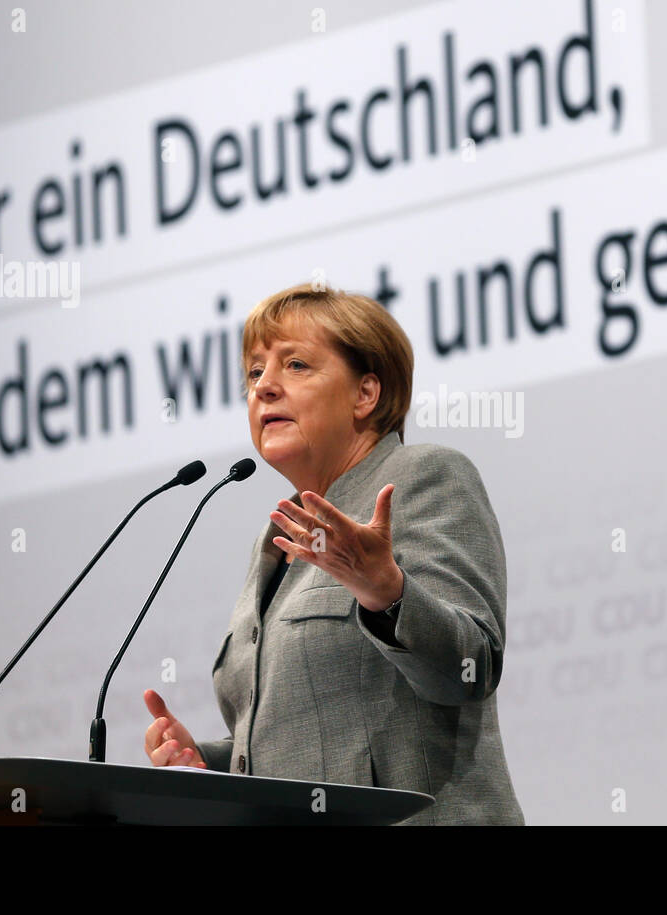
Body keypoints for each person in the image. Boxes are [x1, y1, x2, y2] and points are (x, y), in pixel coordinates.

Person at [141, 282, 525, 825]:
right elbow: (316, 738)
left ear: (365, 394)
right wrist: (212, 762)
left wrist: (386, 592)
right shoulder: (274, 543)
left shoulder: (423, 477)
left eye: (295, 365)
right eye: (254, 373)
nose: (264, 387)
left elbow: (468, 670)